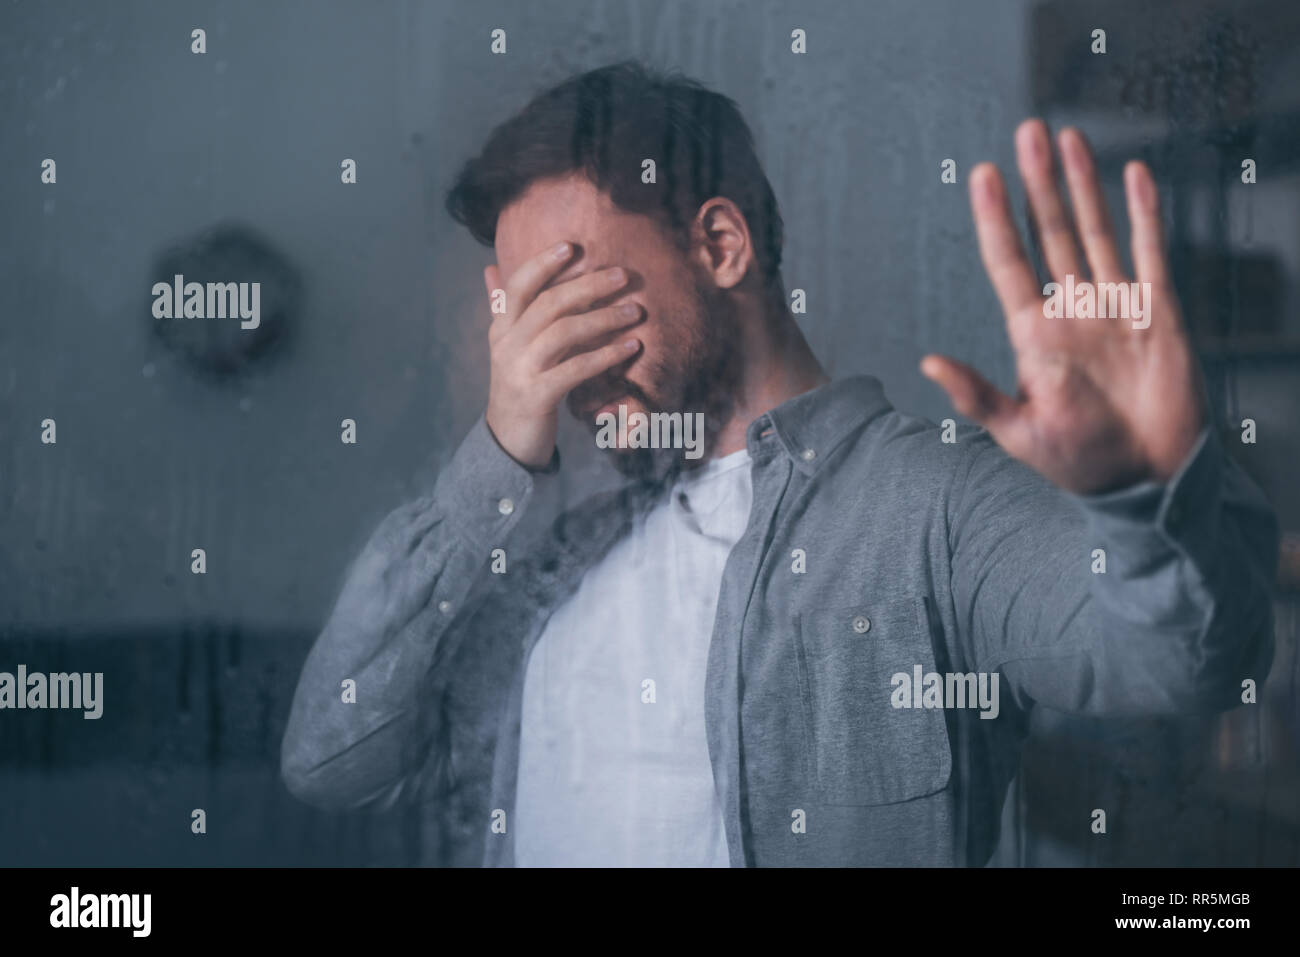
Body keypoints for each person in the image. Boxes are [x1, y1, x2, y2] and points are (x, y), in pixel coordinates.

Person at [281, 61, 1278, 867]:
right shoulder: (553, 553)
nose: (552, 358)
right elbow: (332, 762)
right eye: (524, 315)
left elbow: (1181, 664)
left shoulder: (932, 502)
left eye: (575, 299)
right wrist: (494, 458)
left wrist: (1137, 497)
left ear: (719, 244)